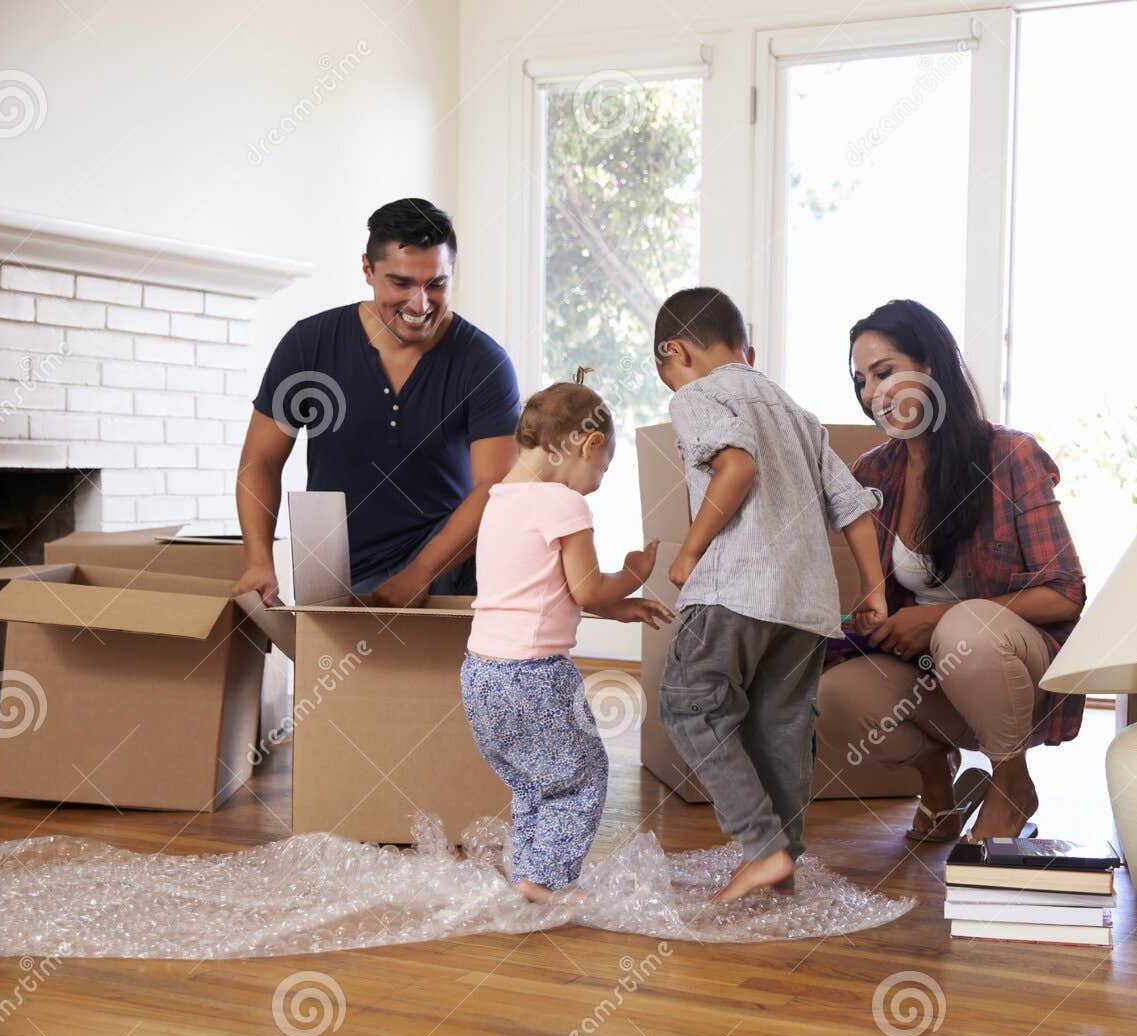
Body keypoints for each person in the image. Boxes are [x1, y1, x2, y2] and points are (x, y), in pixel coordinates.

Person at [815, 299, 1087, 843]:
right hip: (933, 673)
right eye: (861, 381)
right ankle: (936, 778)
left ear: (931, 366)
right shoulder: (873, 472)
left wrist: (941, 619)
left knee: (966, 629)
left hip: (1014, 671)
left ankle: (1012, 785)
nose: (872, 394)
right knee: (833, 693)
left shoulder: (1011, 456)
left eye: (885, 371)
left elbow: (1066, 593)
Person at [653, 287, 886, 903]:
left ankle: (761, 849)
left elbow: (737, 467)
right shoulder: (798, 414)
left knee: (690, 705)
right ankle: (782, 855)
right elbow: (854, 507)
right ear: (747, 350)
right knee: (778, 726)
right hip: (806, 606)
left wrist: (690, 550)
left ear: (673, 353)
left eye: (666, 374)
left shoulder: (699, 395)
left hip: (735, 586)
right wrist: (874, 590)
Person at [232, 197, 520, 607]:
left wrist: (419, 574)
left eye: (435, 284)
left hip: (445, 572)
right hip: (335, 572)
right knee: (333, 671)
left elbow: (495, 488)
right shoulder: (309, 346)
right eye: (400, 283)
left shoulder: (484, 363)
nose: (420, 304)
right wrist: (258, 561)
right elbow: (260, 461)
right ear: (367, 269)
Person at [459, 371, 671, 902]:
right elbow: (588, 589)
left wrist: (620, 609)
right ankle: (544, 881)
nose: (595, 481)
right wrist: (634, 573)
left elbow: (541, 592)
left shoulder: (501, 498)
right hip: (533, 676)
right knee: (580, 775)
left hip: (482, 674)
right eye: (601, 468)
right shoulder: (562, 503)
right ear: (587, 442)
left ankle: (529, 875)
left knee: (536, 779)